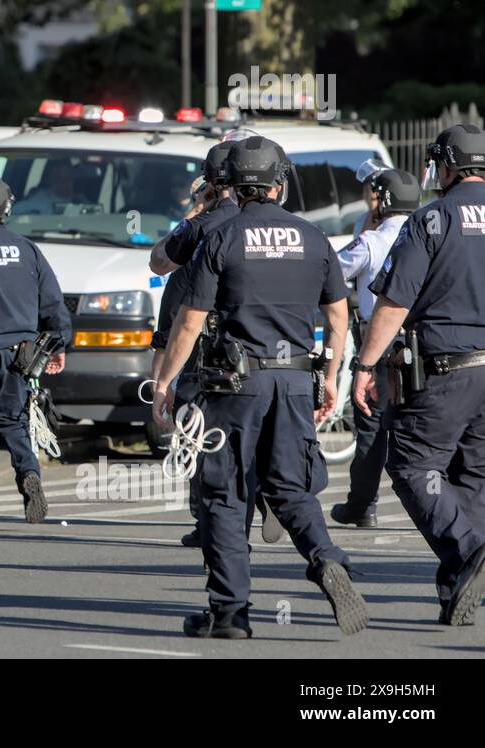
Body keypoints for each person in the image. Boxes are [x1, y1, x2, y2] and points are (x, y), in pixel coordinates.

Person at [154, 136, 367, 639]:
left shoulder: (221, 238)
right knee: (291, 487)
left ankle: (230, 613)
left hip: (234, 385)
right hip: (295, 381)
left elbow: (189, 323)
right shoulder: (313, 237)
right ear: (279, 183)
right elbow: (338, 314)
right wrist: (330, 375)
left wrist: (164, 382)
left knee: (225, 494)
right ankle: (326, 558)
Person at [353, 124, 485, 627]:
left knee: (412, 465)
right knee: (473, 477)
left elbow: (394, 301)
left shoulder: (432, 219)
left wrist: (365, 365)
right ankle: (458, 595)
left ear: (448, 165)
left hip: (445, 369)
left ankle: (471, 551)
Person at [147, 142, 283, 548]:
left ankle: (211, 520)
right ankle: (265, 493)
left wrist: (194, 211)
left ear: (210, 179)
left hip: (210, 349)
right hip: (270, 345)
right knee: (260, 431)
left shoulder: (207, 224)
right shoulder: (277, 224)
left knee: (204, 434)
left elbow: (160, 263)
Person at [0, 176, 72, 530]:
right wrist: (58, 343)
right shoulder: (27, 248)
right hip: (23, 354)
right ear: (7, 206)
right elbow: (52, 302)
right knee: (15, 423)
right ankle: (29, 473)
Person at [331, 168, 419, 529]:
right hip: (420, 340)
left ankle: (362, 504)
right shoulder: (425, 233)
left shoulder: (372, 240)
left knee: (371, 425)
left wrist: (363, 230)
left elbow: (334, 270)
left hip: (377, 341)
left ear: (384, 201)